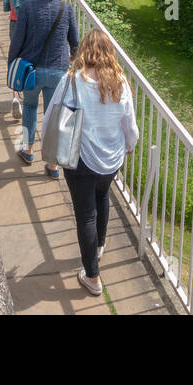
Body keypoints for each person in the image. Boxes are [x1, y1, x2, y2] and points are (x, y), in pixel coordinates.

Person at [43, 27, 138, 297]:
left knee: (85, 215)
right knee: (102, 197)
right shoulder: (120, 81)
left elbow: (52, 117)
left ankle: (93, 276)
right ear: (110, 53)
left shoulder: (73, 80)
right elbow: (129, 124)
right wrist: (130, 145)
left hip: (81, 158)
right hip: (112, 160)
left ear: (84, 50)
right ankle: (98, 247)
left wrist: (45, 143)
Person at [8, 0, 78, 178]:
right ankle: (52, 164)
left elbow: (17, 41)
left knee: (29, 107)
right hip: (57, 70)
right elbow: (74, 43)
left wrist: (12, 66)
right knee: (53, 116)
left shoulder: (28, 8)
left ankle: (28, 150)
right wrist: (71, 57)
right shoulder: (66, 9)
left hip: (31, 70)